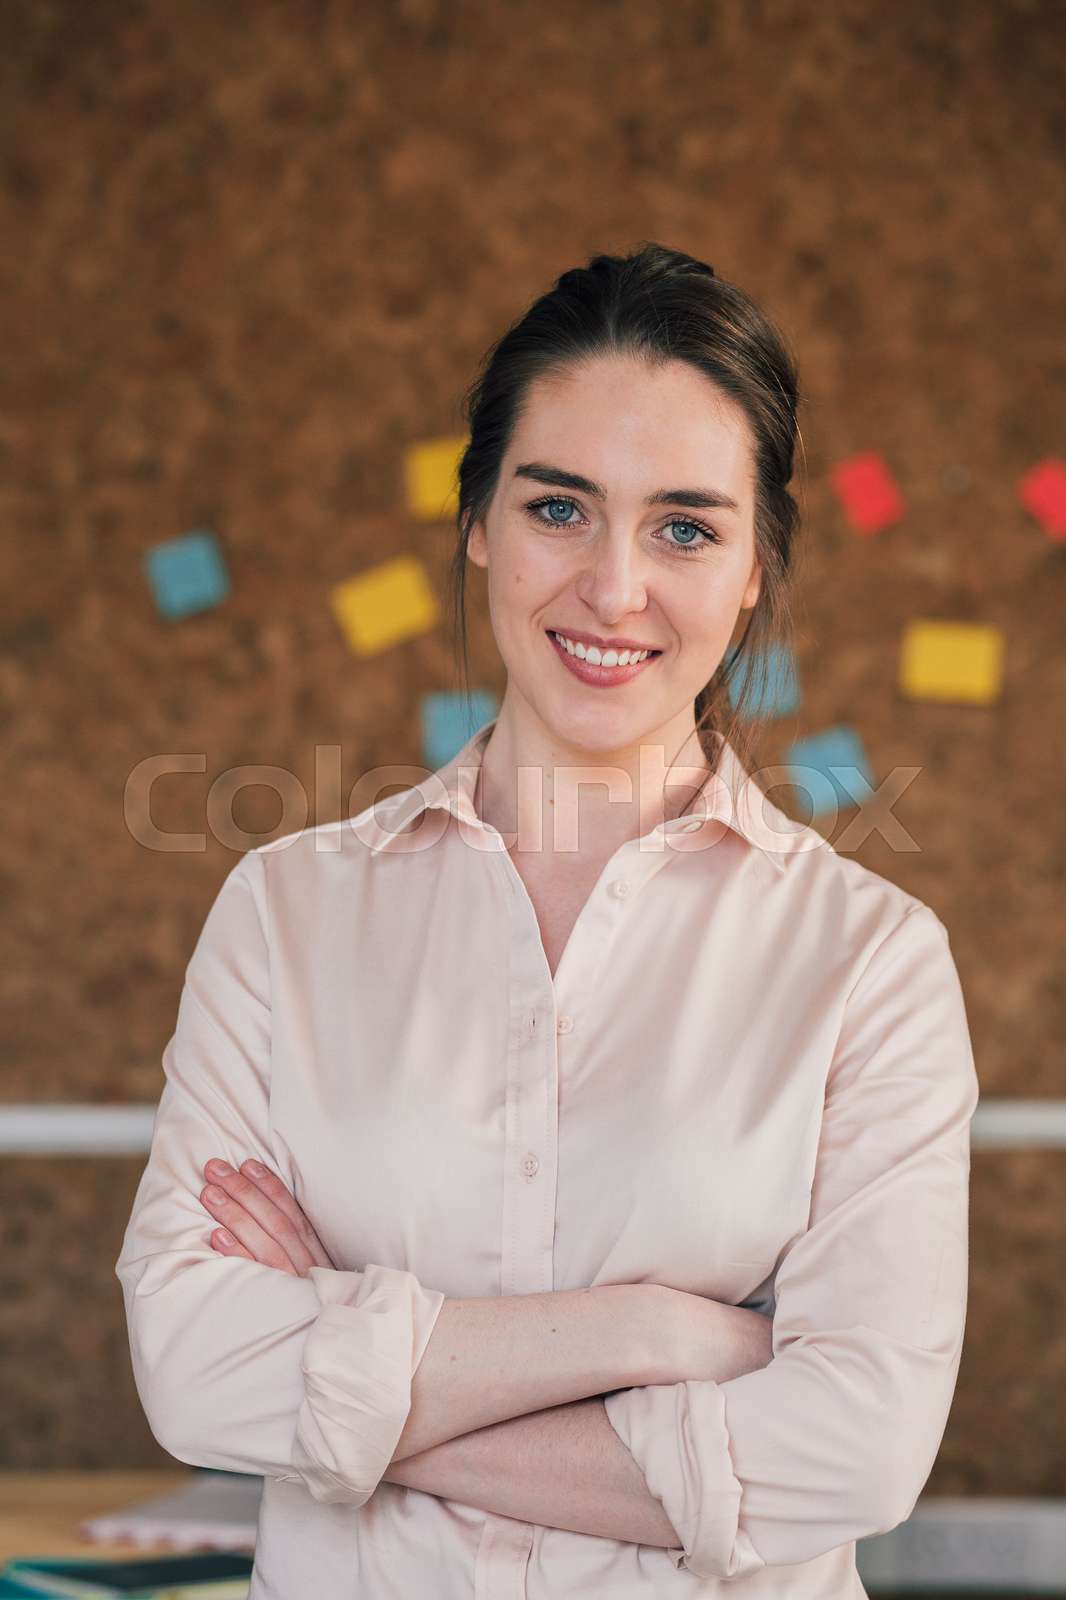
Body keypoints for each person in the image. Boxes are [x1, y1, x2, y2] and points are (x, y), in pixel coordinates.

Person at [116, 243, 979, 1599]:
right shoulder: (284, 914)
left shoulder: (866, 962)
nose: (614, 588)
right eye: (558, 508)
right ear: (476, 524)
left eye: (684, 526)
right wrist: (655, 1333)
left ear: (754, 569)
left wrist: (343, 1378)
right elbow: (193, 1369)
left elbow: (856, 1454)